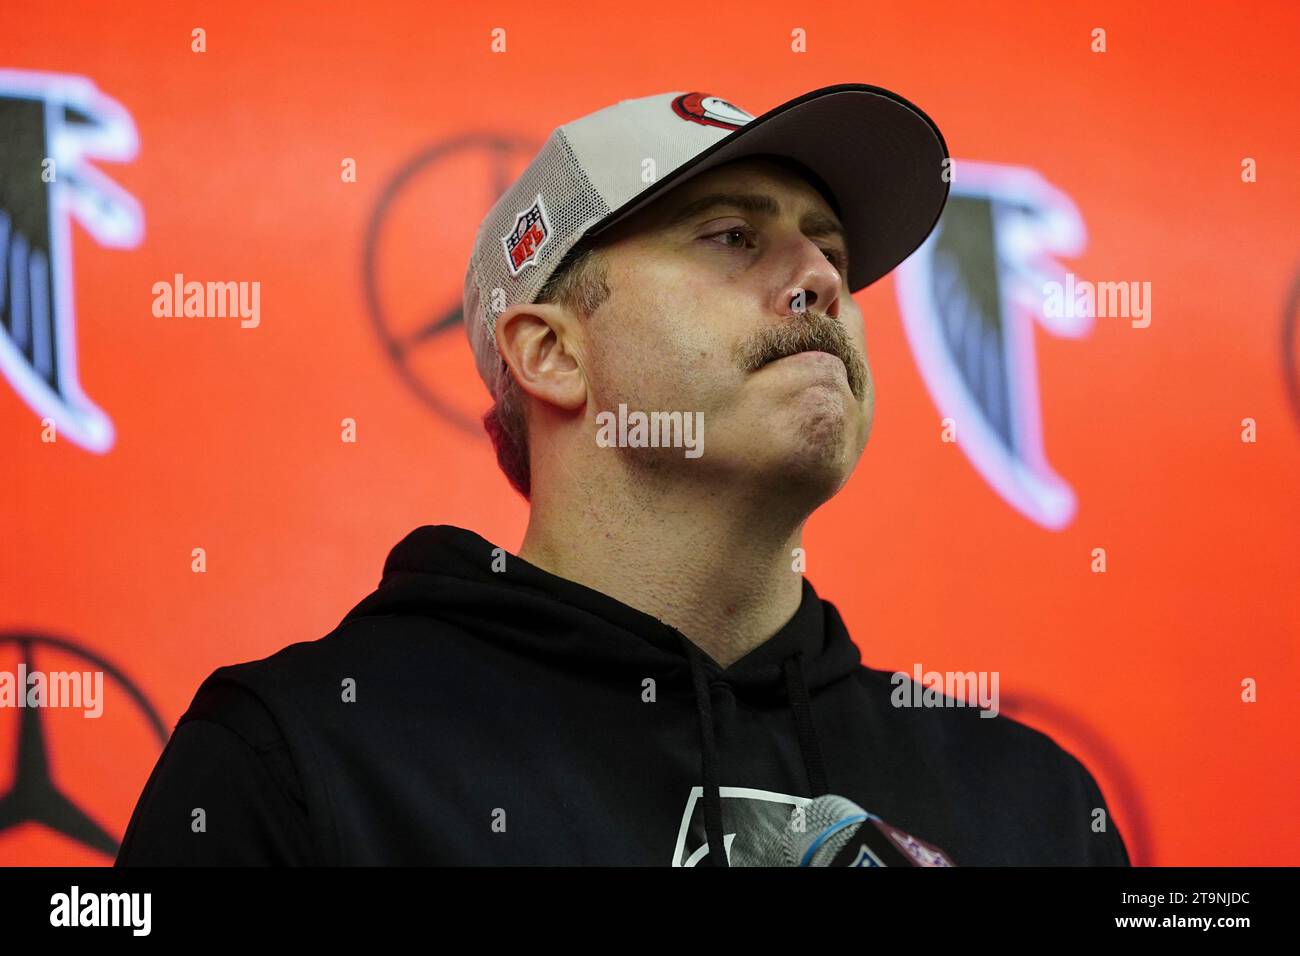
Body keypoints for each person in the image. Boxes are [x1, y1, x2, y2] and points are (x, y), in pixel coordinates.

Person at [116, 84, 1130, 866]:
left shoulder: (1030, 805)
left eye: (830, 249)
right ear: (550, 352)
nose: (822, 278)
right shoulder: (307, 758)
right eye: (732, 235)